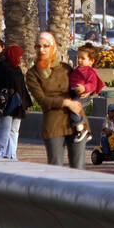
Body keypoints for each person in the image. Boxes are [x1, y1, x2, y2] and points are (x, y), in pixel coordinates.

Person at [25, 31, 84, 168]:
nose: (42, 50)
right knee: (55, 168)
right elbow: (42, 100)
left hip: (76, 123)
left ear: (53, 47)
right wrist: (66, 102)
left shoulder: (65, 69)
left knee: (78, 169)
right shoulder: (32, 74)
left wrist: (84, 90)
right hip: (53, 125)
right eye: (38, 46)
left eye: (46, 46)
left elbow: (75, 90)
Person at [0, 44, 31, 159]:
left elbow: (22, 88)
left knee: (14, 130)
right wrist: (5, 90)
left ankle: (11, 153)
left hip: (17, 105)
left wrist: (26, 104)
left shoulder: (17, 69)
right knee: (4, 128)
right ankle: (1, 152)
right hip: (5, 104)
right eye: (19, 56)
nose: (20, 58)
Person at [65, 43, 105, 143]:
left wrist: (84, 88)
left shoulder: (90, 71)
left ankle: (82, 129)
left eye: (83, 58)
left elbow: (93, 84)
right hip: (75, 93)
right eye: (78, 58)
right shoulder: (77, 70)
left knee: (74, 109)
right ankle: (81, 130)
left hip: (83, 96)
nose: (79, 60)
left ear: (91, 61)